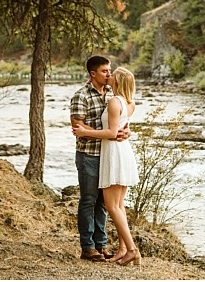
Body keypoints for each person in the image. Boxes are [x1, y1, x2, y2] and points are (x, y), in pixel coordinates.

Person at [73, 67, 142, 266]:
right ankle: (124, 250)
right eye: (107, 72)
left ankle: (132, 250)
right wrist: (126, 132)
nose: (109, 76)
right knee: (119, 205)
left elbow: (112, 133)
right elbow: (122, 127)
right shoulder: (130, 103)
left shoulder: (113, 101)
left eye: (112, 74)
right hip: (123, 152)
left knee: (112, 206)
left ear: (118, 81)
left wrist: (84, 132)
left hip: (113, 152)